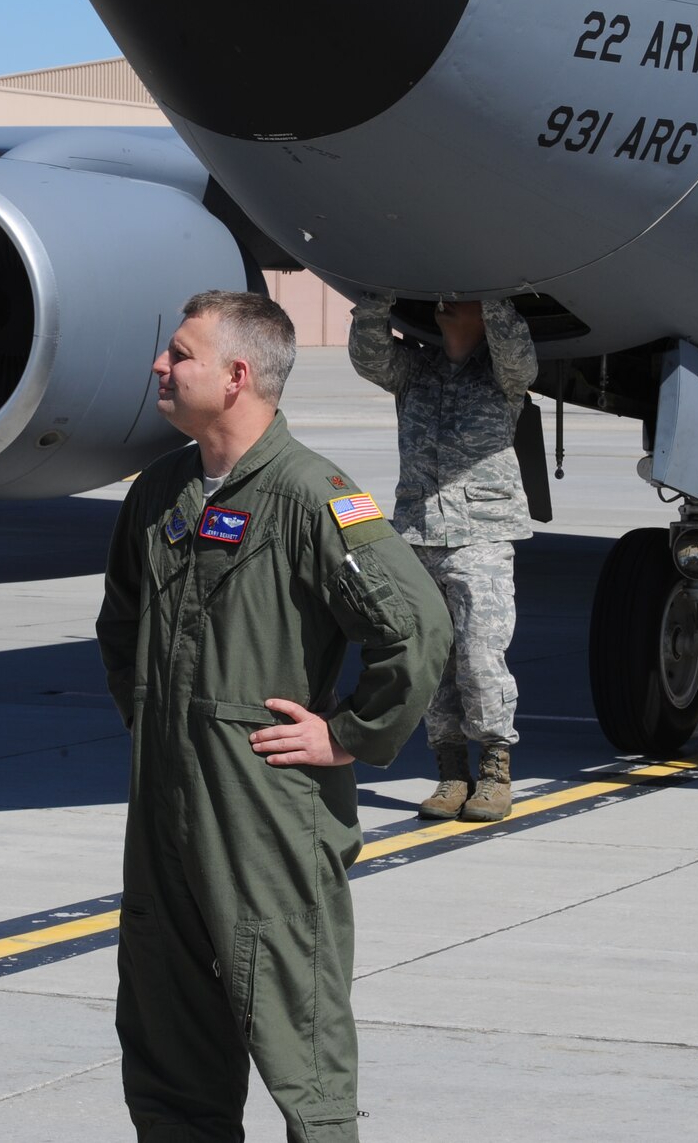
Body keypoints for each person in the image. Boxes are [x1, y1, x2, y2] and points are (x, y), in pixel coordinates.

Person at [97, 290, 452, 1142]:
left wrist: (348, 735)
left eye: (180, 354)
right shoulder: (161, 493)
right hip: (166, 827)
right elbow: (121, 624)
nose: (160, 365)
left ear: (237, 375)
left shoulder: (308, 496)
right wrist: (157, 721)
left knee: (304, 1061)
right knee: (169, 1061)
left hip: (266, 830)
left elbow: (418, 627)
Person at [348, 294, 539, 822]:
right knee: (434, 662)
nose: (444, 305)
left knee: (480, 658)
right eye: (442, 301)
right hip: (419, 534)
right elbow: (369, 359)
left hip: (481, 536)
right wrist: (374, 301)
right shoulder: (416, 372)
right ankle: (452, 773)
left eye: (461, 301)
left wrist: (493, 294)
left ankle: (496, 770)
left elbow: (520, 355)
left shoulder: (503, 376)